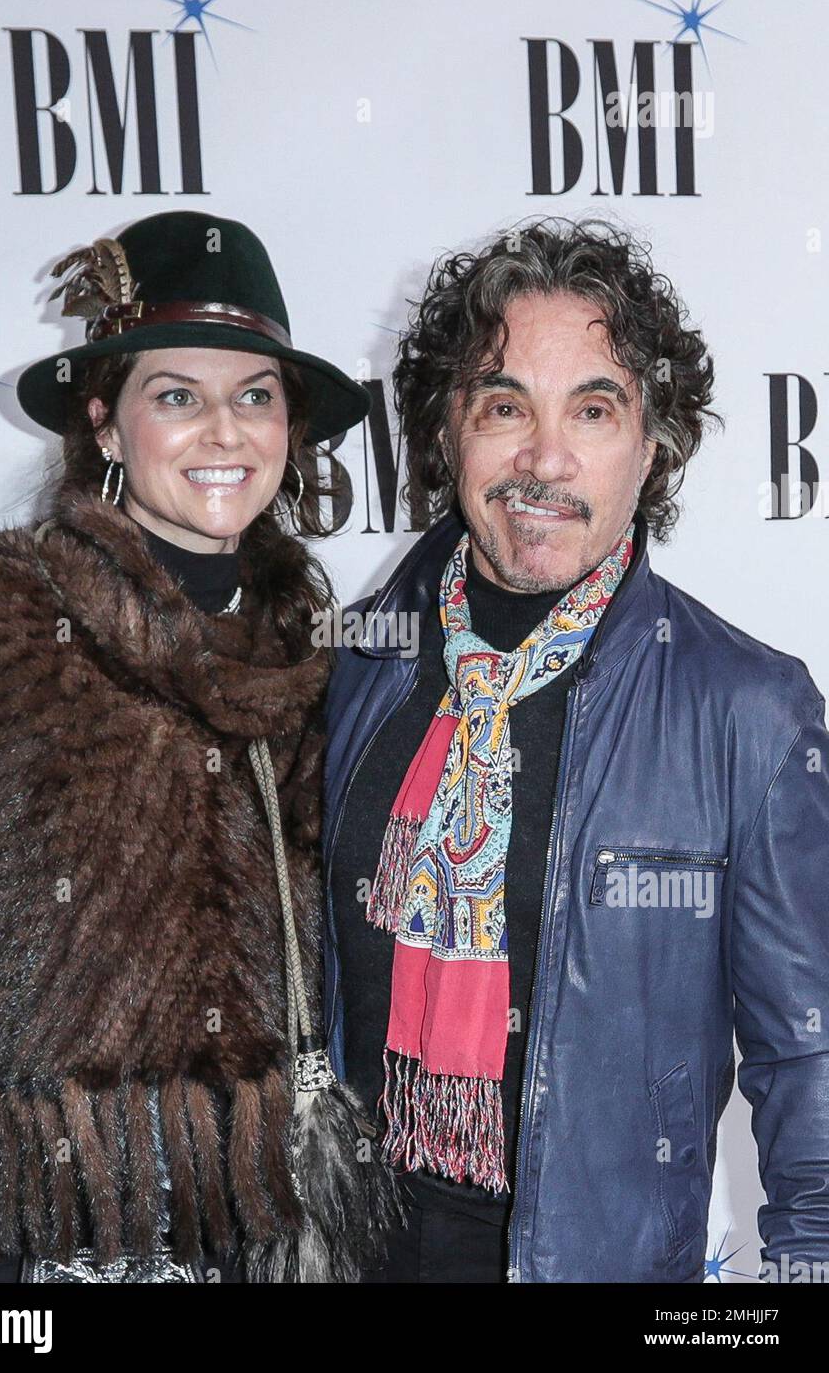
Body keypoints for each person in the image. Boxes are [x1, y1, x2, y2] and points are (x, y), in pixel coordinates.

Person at [322, 217, 829, 1283]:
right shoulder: (361, 662)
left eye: (592, 411)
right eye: (504, 406)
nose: (542, 460)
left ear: (650, 447)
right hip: (349, 1254)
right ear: (447, 430)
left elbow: (808, 1060)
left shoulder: (745, 709)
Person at [0, 209, 395, 1284]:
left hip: (267, 1215)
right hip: (54, 1226)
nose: (225, 431)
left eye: (254, 396)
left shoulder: (310, 642)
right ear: (107, 425)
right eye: (178, 395)